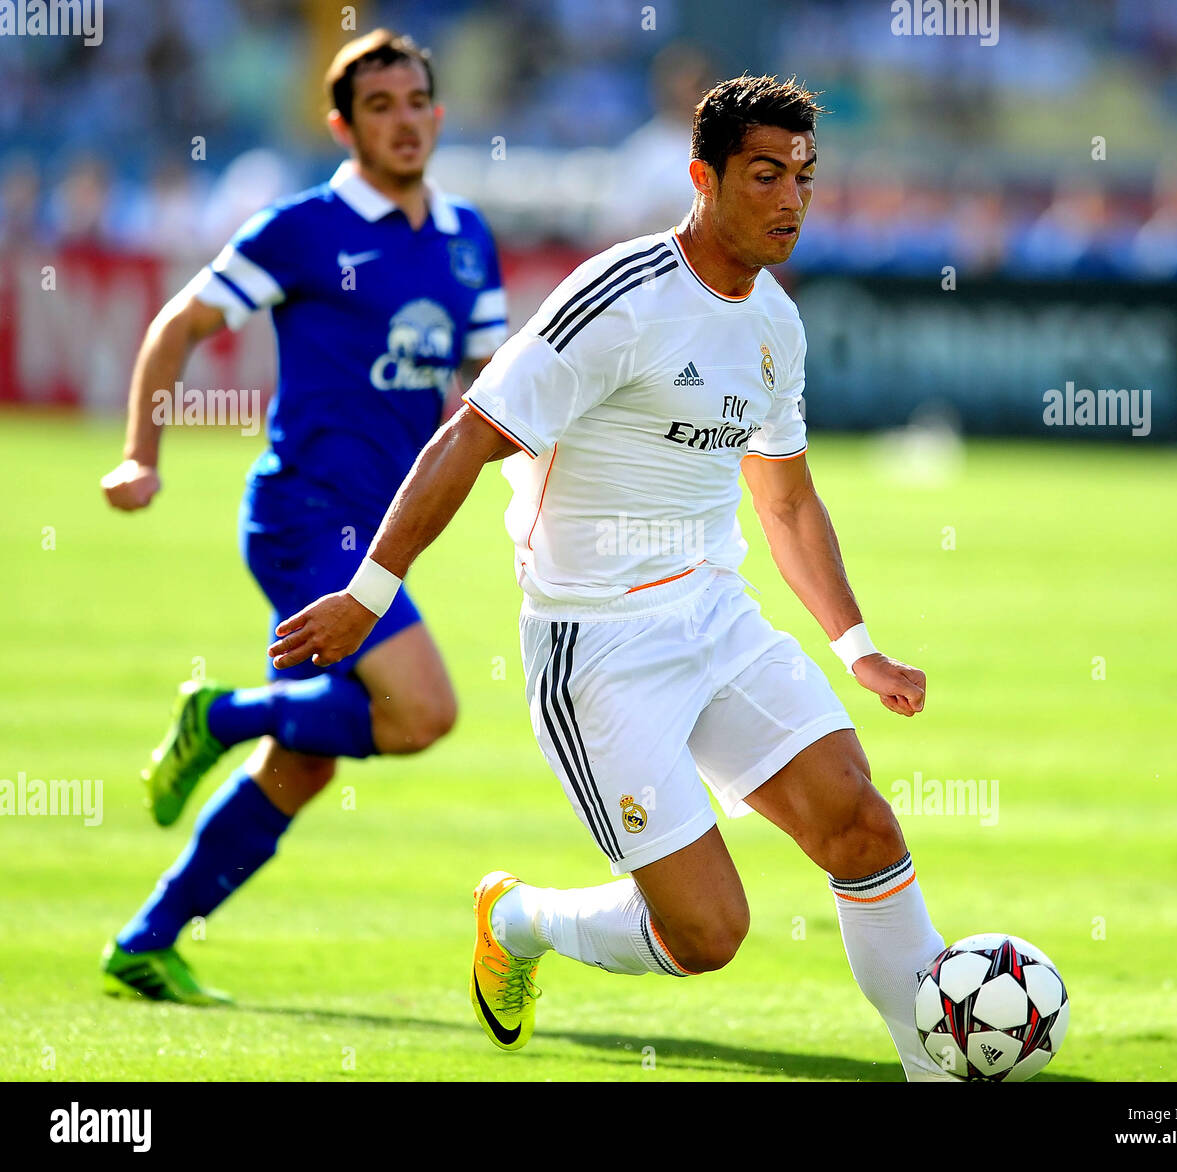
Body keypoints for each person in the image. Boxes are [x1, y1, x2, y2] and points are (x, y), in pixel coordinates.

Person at [269, 74, 953, 1081]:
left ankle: (937, 1060)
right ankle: (519, 917)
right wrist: (369, 592)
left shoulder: (775, 323)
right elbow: (467, 433)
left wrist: (856, 645)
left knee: (860, 822)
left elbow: (787, 502)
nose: (790, 200)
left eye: (804, 177)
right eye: (764, 174)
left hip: (715, 616)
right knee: (709, 932)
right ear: (702, 179)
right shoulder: (620, 298)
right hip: (596, 648)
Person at [97, 29, 507, 1004]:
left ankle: (143, 942)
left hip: (385, 527)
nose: (402, 121)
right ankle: (219, 712)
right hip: (303, 514)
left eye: (415, 102)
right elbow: (178, 325)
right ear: (341, 123)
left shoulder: (466, 237)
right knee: (421, 711)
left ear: (438, 115)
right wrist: (139, 453)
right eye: (379, 106)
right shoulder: (303, 228)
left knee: (306, 765)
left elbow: (490, 383)